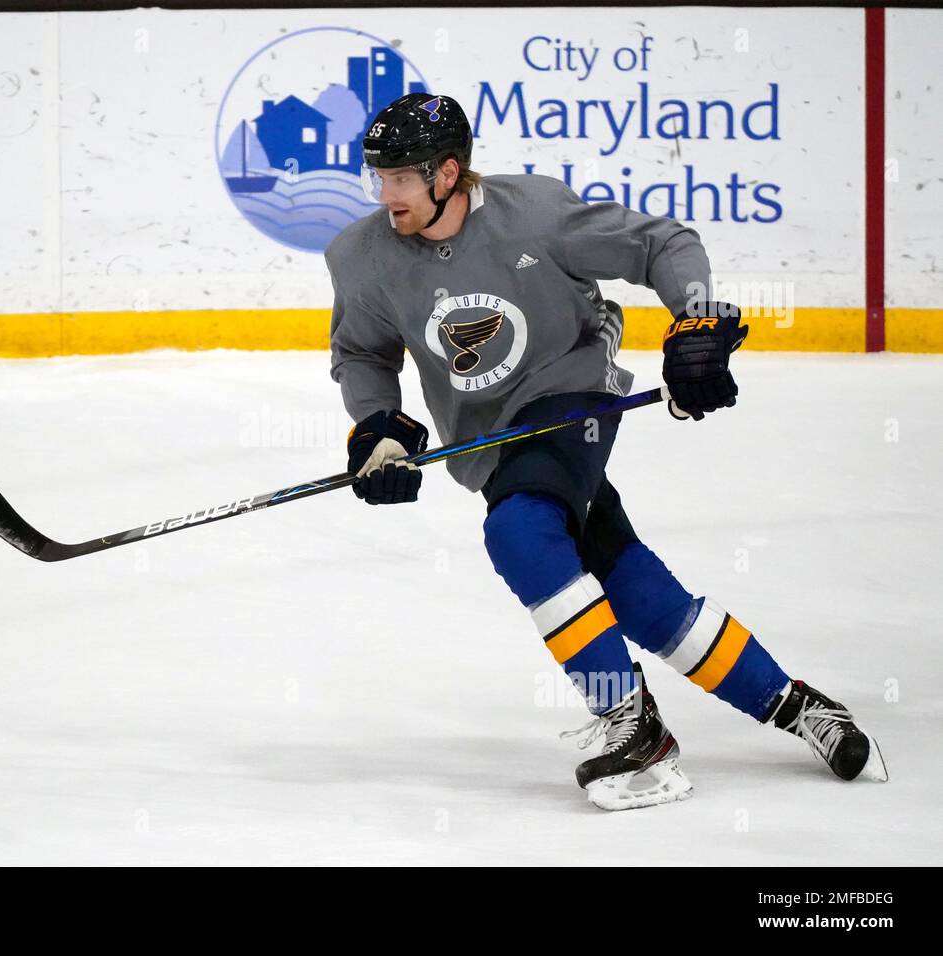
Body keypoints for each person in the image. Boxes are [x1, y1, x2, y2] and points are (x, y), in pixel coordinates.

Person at [327, 92, 888, 810]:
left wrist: (696, 323)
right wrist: (376, 425)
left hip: (574, 392)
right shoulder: (362, 256)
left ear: (446, 173)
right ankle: (799, 706)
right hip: (490, 443)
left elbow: (663, 242)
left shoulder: (536, 215)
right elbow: (361, 353)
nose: (386, 194)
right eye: (378, 177)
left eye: (401, 177)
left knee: (520, 530)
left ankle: (629, 723)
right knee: (637, 592)